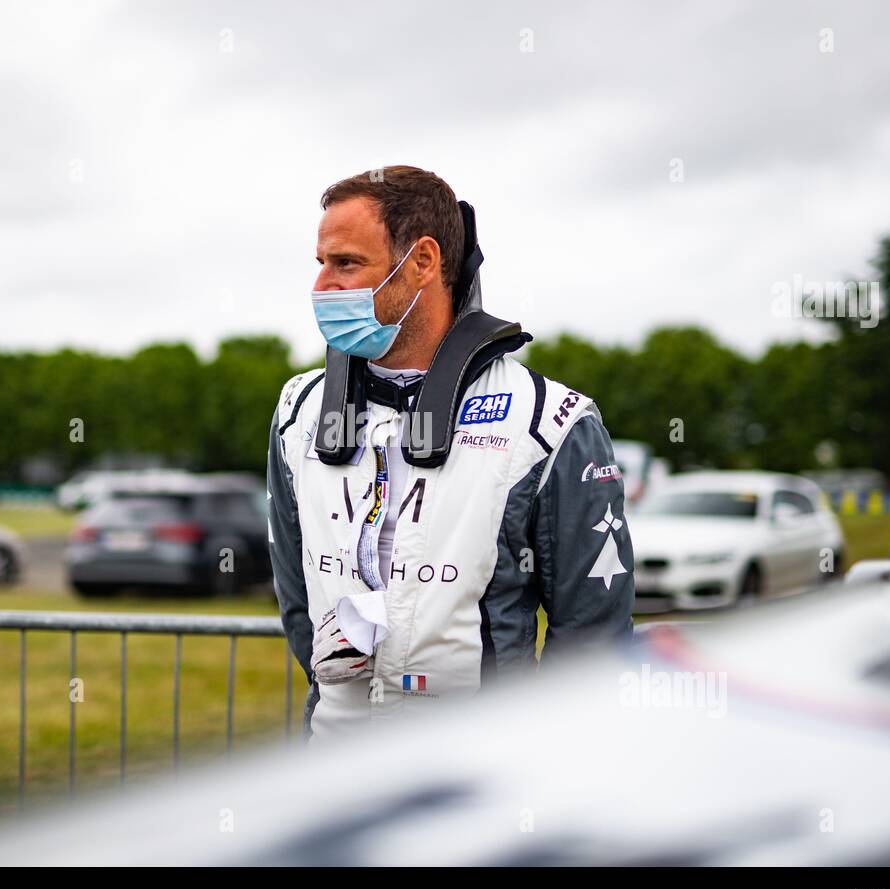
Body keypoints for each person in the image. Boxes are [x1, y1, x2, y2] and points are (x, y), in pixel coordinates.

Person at [267, 165, 634, 742]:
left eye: (346, 264)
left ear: (423, 261)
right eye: (320, 264)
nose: (322, 288)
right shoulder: (299, 412)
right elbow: (297, 605)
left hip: (481, 780)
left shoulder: (549, 421)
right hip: (334, 771)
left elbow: (590, 642)